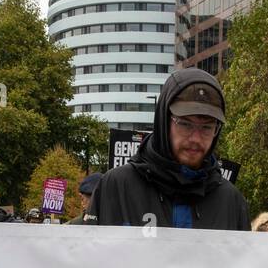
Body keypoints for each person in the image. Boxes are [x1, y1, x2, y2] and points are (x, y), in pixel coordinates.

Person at [86, 68, 250, 231]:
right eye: (185, 124)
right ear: (164, 122)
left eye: (207, 127)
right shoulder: (116, 187)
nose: (195, 138)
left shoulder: (232, 202)